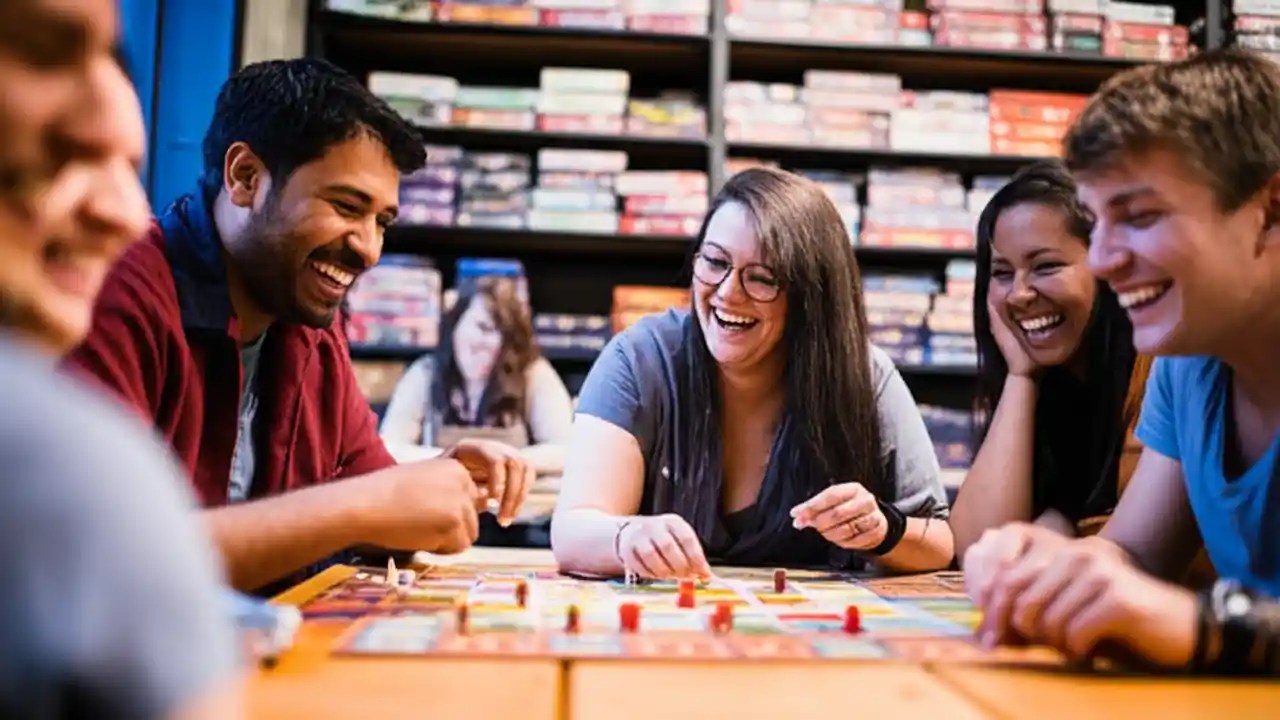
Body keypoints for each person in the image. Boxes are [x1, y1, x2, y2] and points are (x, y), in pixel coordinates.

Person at [65, 58, 533, 594]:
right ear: (245, 178)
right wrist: (368, 506)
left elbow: (373, 497)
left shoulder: (308, 321)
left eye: (380, 221)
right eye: (345, 206)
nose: (368, 249)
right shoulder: (114, 291)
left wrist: (444, 485)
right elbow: (93, 560)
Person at [964, 49, 1280, 675]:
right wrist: (1060, 568)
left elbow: (1170, 605)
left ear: (1269, 210)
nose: (1104, 260)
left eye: (1137, 217)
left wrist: (1199, 624)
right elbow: (1135, 552)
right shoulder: (1188, 360)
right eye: (1097, 223)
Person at [0, 1, 242, 717]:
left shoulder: (311, 330)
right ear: (245, 178)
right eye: (39, 49)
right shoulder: (58, 457)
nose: (119, 215)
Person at [551, 167, 954, 579]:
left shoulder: (864, 378)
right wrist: (626, 537)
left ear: (811, 298)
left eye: (762, 278)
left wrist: (883, 532)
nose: (727, 292)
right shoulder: (639, 360)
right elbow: (573, 531)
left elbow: (938, 543)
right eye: (714, 261)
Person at [949, 159, 1151, 558]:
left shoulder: (1160, 370)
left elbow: (1146, 553)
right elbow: (975, 547)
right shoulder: (1056, 390)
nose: (1018, 294)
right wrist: (1021, 379)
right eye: (1002, 273)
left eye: (1046, 267)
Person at [380, 277, 574, 475]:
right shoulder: (425, 373)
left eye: (503, 335)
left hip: (517, 499)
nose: (492, 343)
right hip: (443, 496)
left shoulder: (533, 373)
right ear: (456, 325)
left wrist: (499, 462)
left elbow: (566, 451)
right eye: (483, 327)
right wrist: (456, 460)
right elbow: (388, 449)